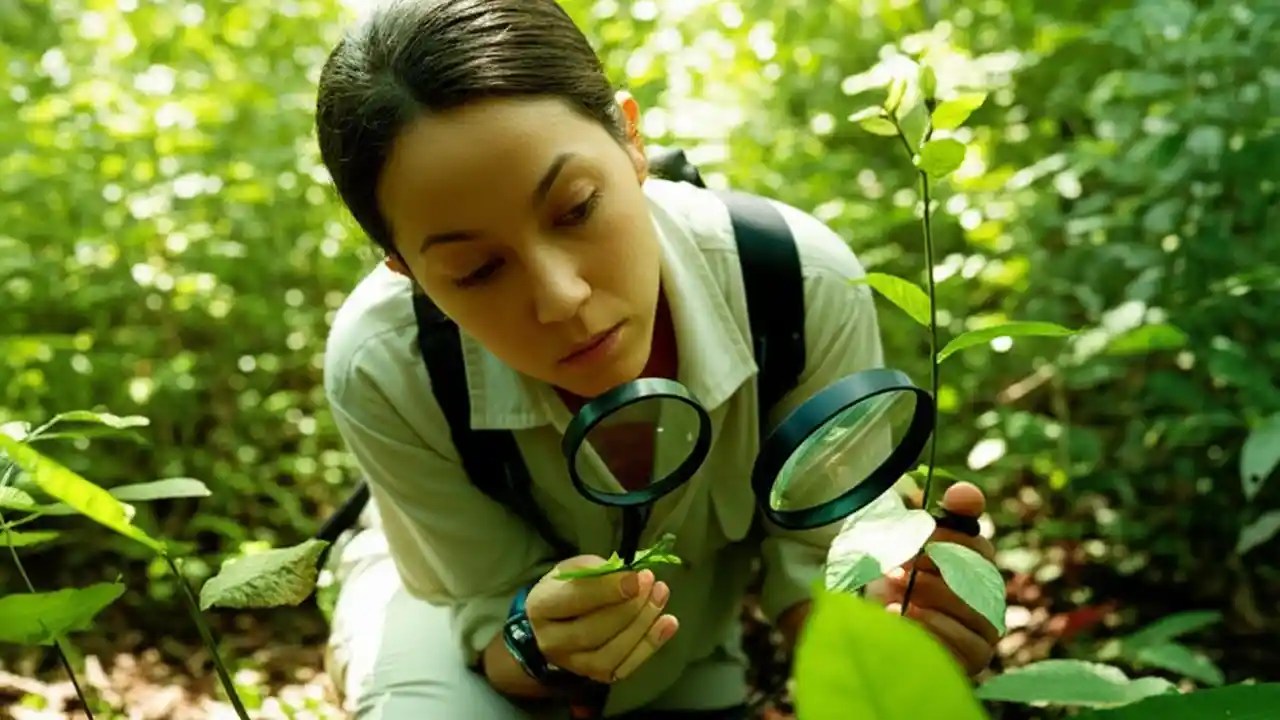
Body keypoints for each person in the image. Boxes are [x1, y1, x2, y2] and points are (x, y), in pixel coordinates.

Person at [313, 0, 1000, 718]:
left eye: (577, 208)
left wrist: (900, 631)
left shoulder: (794, 285)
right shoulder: (385, 363)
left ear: (631, 138)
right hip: (439, 622)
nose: (561, 298)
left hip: (687, 627)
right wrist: (537, 644)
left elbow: (825, 576)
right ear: (405, 271)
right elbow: (485, 622)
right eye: (477, 270)